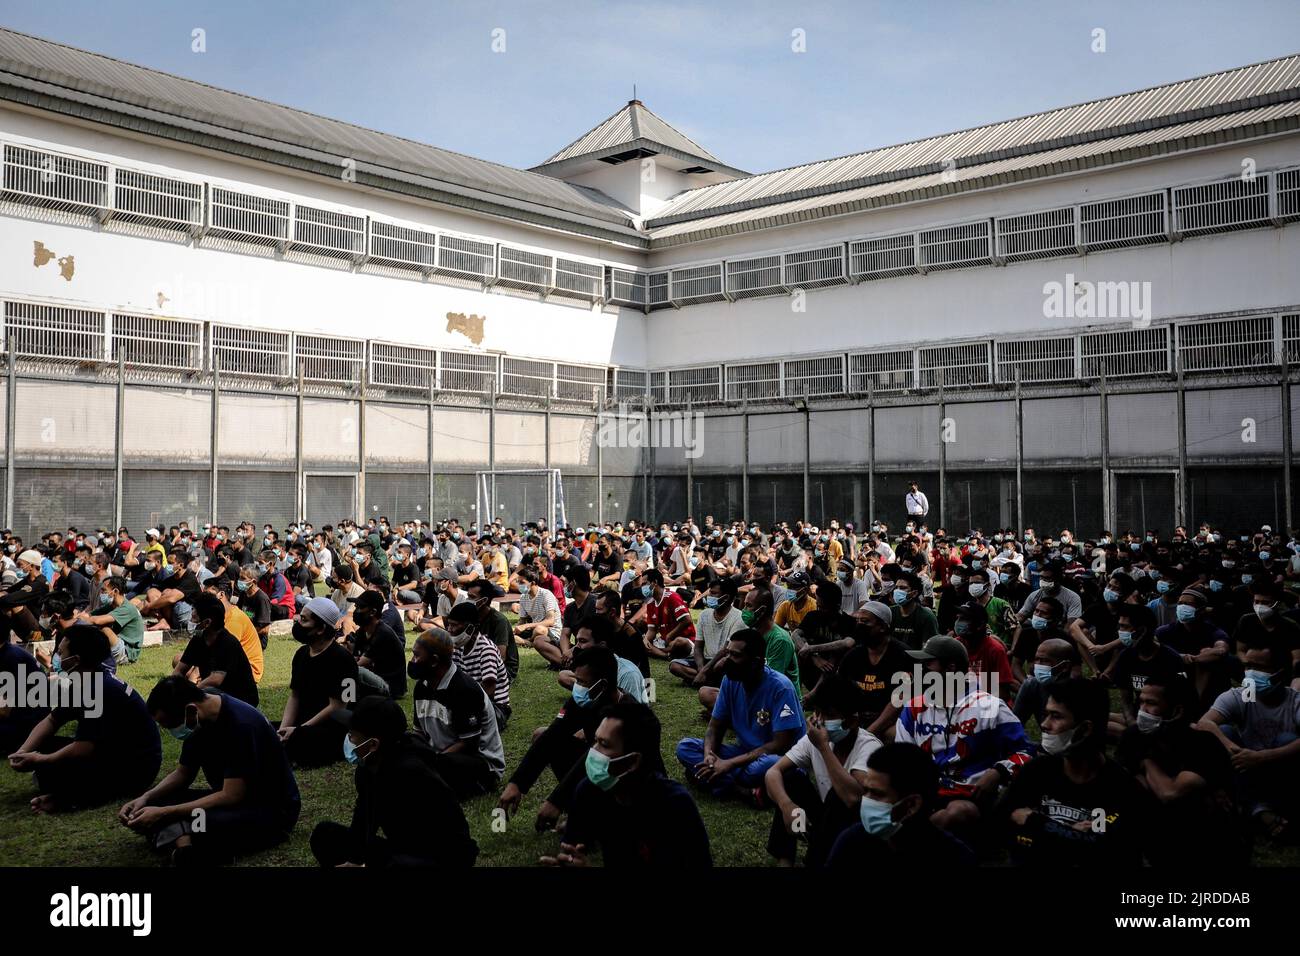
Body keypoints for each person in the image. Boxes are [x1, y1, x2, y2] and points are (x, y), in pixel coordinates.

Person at [122, 677, 300, 865]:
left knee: (204, 823)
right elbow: (184, 773)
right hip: (229, 800)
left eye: (171, 725)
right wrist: (146, 798)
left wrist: (165, 813)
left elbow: (232, 795)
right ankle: (185, 843)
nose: (173, 732)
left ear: (190, 709)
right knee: (160, 801)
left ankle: (183, 845)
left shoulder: (241, 726)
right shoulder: (199, 718)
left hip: (268, 809)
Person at [7, 626, 162, 813]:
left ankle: (68, 798)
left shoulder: (97, 689)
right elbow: (52, 721)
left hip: (135, 768)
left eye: (61, 652)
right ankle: (65, 791)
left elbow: (83, 749)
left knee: (51, 769)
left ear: (76, 660)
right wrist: (24, 751)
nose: (57, 656)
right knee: (48, 750)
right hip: (113, 751)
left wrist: (40, 760)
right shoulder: (86, 681)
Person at [310, 696, 478, 868]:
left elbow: (449, 841)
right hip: (402, 847)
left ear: (373, 744)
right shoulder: (369, 767)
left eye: (352, 736)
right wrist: (354, 859)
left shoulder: (411, 773)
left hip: (441, 856)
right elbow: (364, 816)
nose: (349, 740)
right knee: (325, 835)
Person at [999, 678, 1151, 866]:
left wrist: (1033, 822)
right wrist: (1071, 835)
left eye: (1056, 716)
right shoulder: (1036, 771)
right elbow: (999, 827)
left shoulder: (1120, 789)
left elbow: (1102, 851)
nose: (1044, 724)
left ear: (1085, 728)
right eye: (1045, 714)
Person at [544, 700, 712, 868]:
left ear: (632, 761)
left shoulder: (675, 805)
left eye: (604, 744)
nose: (593, 751)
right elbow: (571, 852)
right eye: (595, 741)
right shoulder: (588, 792)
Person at [896, 636, 1034, 836]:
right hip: (925, 794)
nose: (920, 670)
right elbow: (903, 759)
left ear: (950, 668)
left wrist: (998, 772)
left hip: (973, 798)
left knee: (957, 812)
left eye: (928, 664)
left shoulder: (989, 706)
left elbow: (1026, 752)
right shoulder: (913, 708)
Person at [1116, 673, 1246, 866]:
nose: (1142, 710)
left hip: (1204, 837)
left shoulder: (1204, 744)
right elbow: (1123, 786)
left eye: (1151, 703)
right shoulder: (1133, 736)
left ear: (1177, 711)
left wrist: (1144, 761)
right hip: (1157, 827)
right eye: (1140, 702)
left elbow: (1170, 793)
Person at [499, 646, 628, 831]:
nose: (578, 688)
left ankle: (595, 818)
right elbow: (552, 736)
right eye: (577, 681)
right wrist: (517, 783)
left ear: (602, 685)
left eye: (583, 682)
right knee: (553, 740)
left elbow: (594, 759)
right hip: (597, 770)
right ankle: (579, 809)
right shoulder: (587, 699)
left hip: (622, 788)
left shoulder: (624, 714)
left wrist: (556, 801)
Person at [676, 629, 806, 804]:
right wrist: (709, 756)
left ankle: (714, 780)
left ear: (756, 662)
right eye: (727, 653)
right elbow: (715, 727)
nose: (727, 660)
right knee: (685, 747)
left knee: (767, 766)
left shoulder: (781, 688)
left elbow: (780, 745)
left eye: (735, 656)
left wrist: (729, 764)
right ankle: (740, 790)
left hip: (777, 758)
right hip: (745, 753)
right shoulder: (730, 681)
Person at [764, 676, 878, 866]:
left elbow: (853, 799)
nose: (820, 720)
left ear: (851, 721)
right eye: (817, 712)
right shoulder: (814, 739)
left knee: (837, 796)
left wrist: (824, 747)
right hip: (823, 821)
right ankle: (785, 862)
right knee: (791, 779)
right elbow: (773, 772)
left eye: (828, 714)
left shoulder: (868, 748)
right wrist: (787, 807)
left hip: (854, 830)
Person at [1197, 637, 1299, 842]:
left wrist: (1262, 757)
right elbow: (1204, 723)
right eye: (1248, 666)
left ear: (1280, 672)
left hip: (1277, 770)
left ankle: (1253, 809)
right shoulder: (1244, 696)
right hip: (1242, 766)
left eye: (1259, 667)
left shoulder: (1294, 701)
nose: (1251, 672)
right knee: (1223, 731)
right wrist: (1233, 748)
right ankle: (1260, 811)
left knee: (1288, 739)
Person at [826, 742, 976, 868]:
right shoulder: (852, 843)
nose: (866, 800)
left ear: (912, 805)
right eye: (866, 791)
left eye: (877, 794)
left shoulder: (954, 858)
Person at [407, 628, 505, 800]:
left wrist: (431, 762)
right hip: (439, 756)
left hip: (478, 762)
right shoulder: (422, 687)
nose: (412, 661)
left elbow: (468, 744)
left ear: (434, 661)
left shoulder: (463, 689)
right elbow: (419, 733)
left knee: (437, 770)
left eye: (416, 655)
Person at [275, 597, 359, 768]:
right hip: (302, 723)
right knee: (262, 730)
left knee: (299, 744)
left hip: (332, 729)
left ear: (321, 628)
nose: (298, 622)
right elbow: (295, 696)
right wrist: (283, 729)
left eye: (304, 620)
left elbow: (340, 706)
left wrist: (299, 731)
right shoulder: (301, 654)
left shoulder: (344, 660)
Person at [1103, 603, 1187, 738]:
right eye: (1120, 626)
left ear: (1142, 630)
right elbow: (1126, 700)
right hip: (1138, 715)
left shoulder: (1171, 659)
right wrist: (1132, 723)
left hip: (1162, 720)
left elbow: (1181, 703)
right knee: (1095, 720)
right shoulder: (1126, 657)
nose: (1120, 631)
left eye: (1125, 626)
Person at [836, 601, 914, 737]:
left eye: (865, 621)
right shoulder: (853, 656)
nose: (859, 625)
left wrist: (867, 734)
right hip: (857, 717)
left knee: (892, 735)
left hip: (891, 719)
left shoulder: (903, 656)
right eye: (858, 621)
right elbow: (838, 689)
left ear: (883, 627)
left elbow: (898, 701)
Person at [173, 593, 260, 707]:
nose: (191, 622)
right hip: (215, 693)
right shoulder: (198, 639)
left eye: (194, 618)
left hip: (241, 700)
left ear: (207, 622)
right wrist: (172, 688)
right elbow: (179, 670)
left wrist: (191, 693)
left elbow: (216, 679)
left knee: (206, 695)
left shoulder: (227, 642)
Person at [670, 576, 745, 688]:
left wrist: (705, 670)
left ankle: (700, 680)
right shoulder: (704, 615)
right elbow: (698, 647)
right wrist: (701, 668)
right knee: (674, 665)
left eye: (714, 593)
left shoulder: (738, 617)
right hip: (707, 660)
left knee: (722, 664)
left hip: (724, 660)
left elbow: (726, 650)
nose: (709, 596)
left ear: (726, 597)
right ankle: (711, 681)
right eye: (710, 592)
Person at [445, 604, 511, 727]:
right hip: (470, 700)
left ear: (470, 628)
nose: (450, 629)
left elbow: (488, 691)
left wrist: (460, 704)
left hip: (494, 707)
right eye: (449, 625)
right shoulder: (458, 647)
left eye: (454, 625)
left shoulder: (486, 650)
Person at [560, 615, 646, 702]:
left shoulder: (627, 675)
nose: (576, 647)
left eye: (583, 641)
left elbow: (632, 712)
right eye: (577, 641)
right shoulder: (588, 668)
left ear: (602, 645)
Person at [1012, 637, 1082, 731]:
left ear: (1065, 666)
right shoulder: (1032, 685)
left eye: (1045, 661)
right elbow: (1015, 722)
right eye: (1036, 659)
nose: (1038, 665)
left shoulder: (1080, 691)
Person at [346, 590, 407, 699]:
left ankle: (346, 701)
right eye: (356, 607)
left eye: (360, 607)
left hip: (390, 687)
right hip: (374, 676)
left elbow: (359, 664)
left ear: (373, 612)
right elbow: (354, 657)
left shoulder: (383, 633)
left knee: (352, 671)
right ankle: (345, 701)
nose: (356, 611)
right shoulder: (363, 631)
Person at [74, 574, 144, 666]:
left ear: (115, 591)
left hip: (125, 653)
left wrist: (80, 620)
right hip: (114, 645)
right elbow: (89, 614)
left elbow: (96, 621)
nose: (101, 594)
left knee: (101, 626)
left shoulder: (127, 608)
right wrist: (74, 618)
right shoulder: (110, 606)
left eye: (104, 590)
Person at [0, 637, 49, 756]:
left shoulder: (8, 659)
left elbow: (3, 711)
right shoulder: (10, 652)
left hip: (29, 723)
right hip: (30, 717)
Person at [466, 578, 518, 682]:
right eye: (468, 596)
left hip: (502, 668)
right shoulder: (470, 616)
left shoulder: (499, 621)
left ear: (484, 600)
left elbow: (501, 657)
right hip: (477, 662)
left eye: (472, 597)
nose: (468, 600)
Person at [641, 568, 695, 660]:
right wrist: (645, 641)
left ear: (654, 582)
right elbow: (652, 630)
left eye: (644, 584)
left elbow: (687, 620)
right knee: (641, 643)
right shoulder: (650, 604)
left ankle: (662, 652)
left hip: (685, 639)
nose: (642, 587)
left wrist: (670, 636)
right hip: (665, 641)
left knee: (679, 642)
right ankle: (667, 656)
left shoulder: (672, 597)